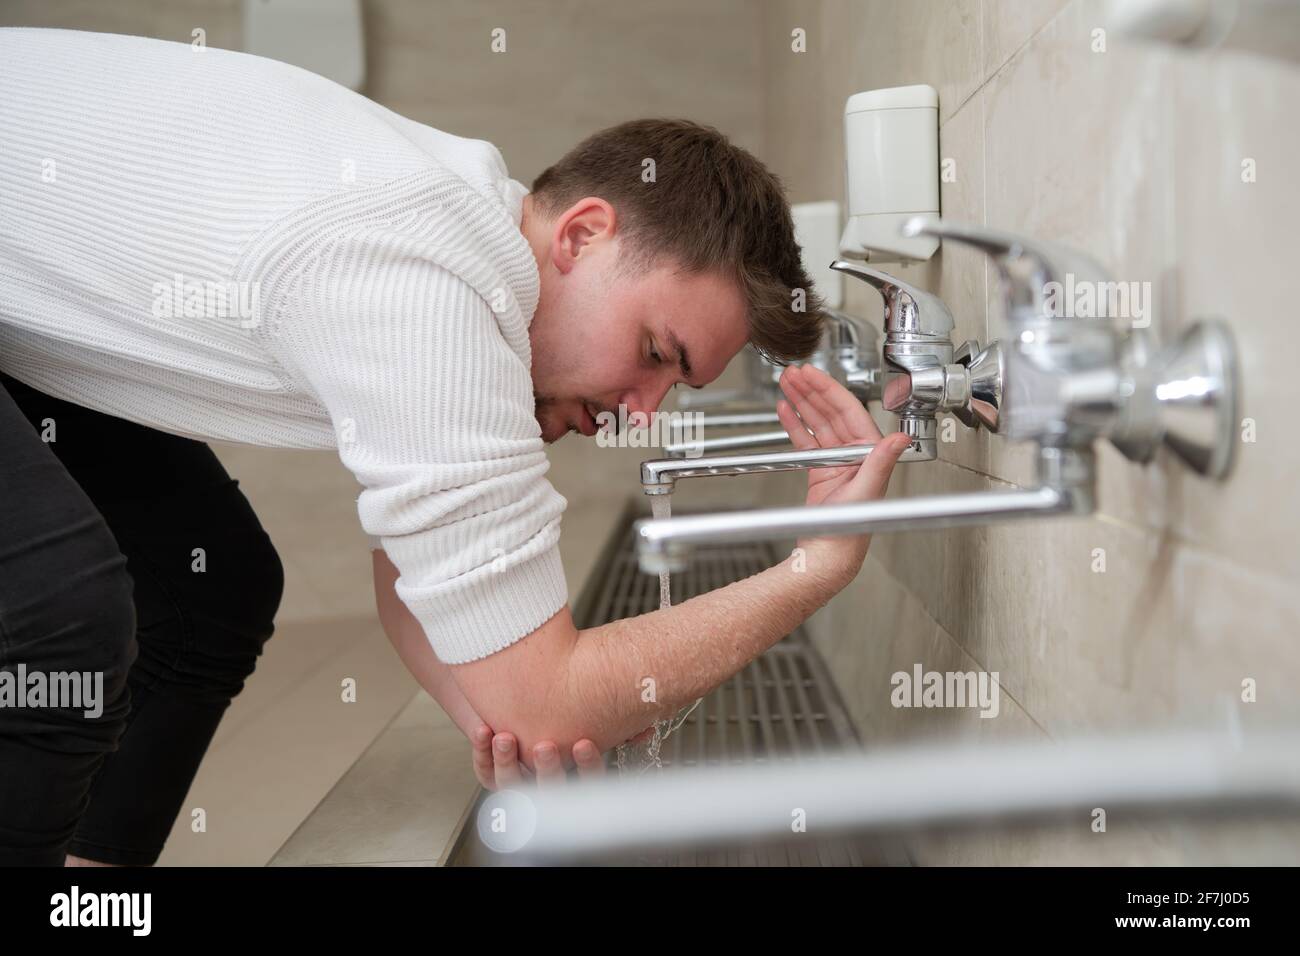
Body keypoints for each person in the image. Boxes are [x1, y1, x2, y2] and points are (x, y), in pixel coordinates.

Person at [0, 28, 911, 866]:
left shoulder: (469, 243)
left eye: (673, 386)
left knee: (211, 588)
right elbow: (546, 697)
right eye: (652, 355)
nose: (641, 411)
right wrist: (817, 567)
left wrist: (494, 708)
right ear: (583, 235)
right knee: (63, 620)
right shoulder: (423, 280)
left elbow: (407, 573)